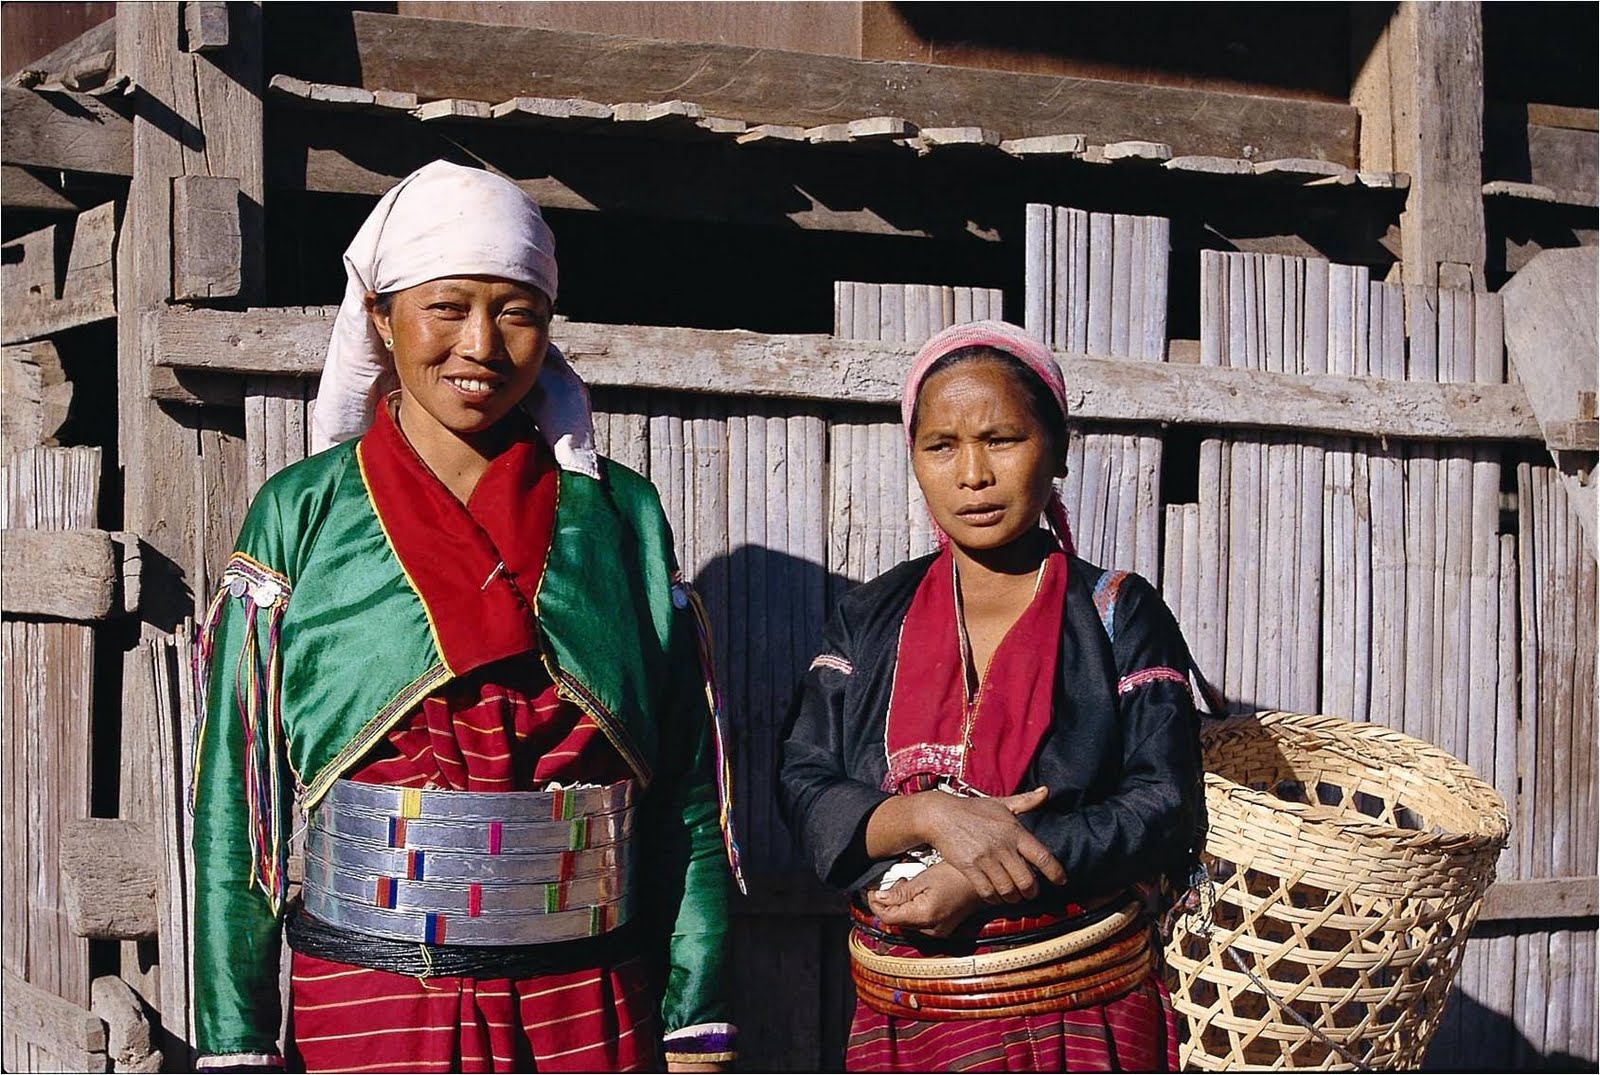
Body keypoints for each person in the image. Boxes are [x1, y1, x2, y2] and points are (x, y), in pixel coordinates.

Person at [191, 160, 740, 1073]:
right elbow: (236, 798)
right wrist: (237, 1040)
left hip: (587, 993)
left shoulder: (620, 516)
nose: (481, 343)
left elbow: (687, 782)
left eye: (515, 311)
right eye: (446, 306)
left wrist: (697, 1008)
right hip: (370, 994)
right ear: (380, 317)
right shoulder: (301, 514)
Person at [778, 320, 1208, 1072]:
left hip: (1078, 1016)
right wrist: (928, 814)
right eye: (941, 445)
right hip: (908, 1016)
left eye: (1002, 439)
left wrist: (978, 877)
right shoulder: (868, 616)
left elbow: (1164, 806)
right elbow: (803, 781)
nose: (972, 473)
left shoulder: (1117, 611)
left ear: (1059, 450)